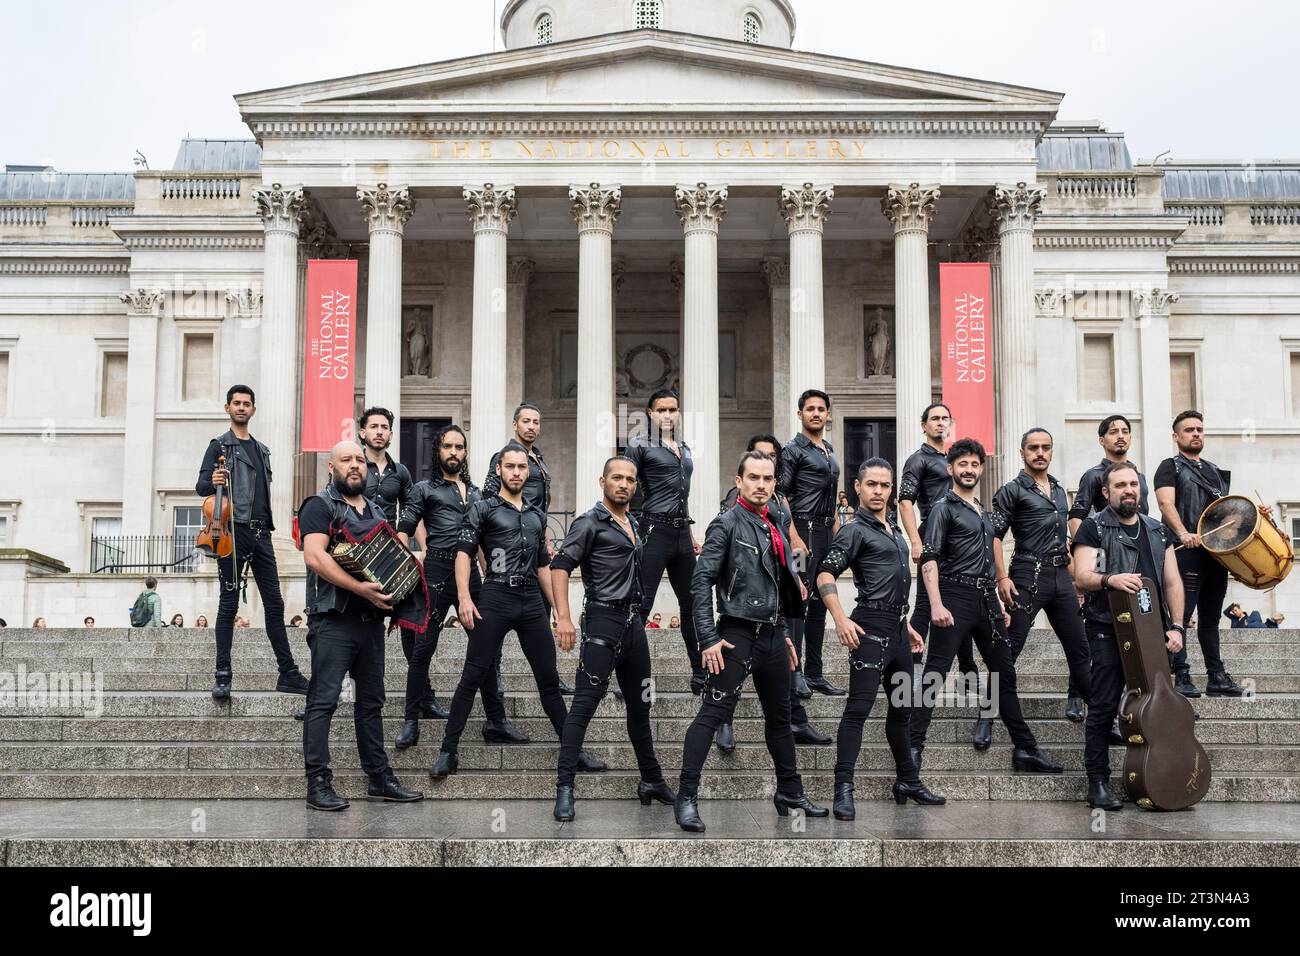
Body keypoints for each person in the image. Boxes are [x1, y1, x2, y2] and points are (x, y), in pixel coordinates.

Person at [429, 443, 605, 780]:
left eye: (522, 468)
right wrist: (465, 597)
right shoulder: (482, 509)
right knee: (472, 676)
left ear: (528, 471)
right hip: (494, 595)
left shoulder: (538, 516)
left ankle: (573, 751)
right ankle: (448, 751)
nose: (516, 473)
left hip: (530, 602)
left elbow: (543, 566)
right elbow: (464, 554)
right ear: (499, 470)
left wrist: (558, 610)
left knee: (549, 682)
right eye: (510, 467)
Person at [674, 450, 826, 833]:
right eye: (753, 478)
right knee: (710, 715)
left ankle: (789, 792)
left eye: (767, 479)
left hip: (774, 635)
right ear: (738, 480)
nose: (761, 485)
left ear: (775, 484)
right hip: (736, 634)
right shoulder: (725, 524)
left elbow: (777, 584)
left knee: (781, 719)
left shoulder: (774, 523)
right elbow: (700, 581)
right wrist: (707, 638)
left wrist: (787, 635)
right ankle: (686, 797)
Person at [909, 439, 1062, 775]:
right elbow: (929, 558)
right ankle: (912, 749)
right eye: (962, 464)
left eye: (974, 464)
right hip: (953, 596)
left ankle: (1025, 749)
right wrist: (935, 603)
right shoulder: (942, 508)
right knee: (934, 674)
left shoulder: (983, 511)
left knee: (1004, 675)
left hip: (986, 601)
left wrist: (996, 601)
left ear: (981, 469)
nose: (969, 470)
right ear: (950, 469)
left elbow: (987, 559)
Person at [298, 441, 423, 811]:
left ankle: (379, 779)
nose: (355, 465)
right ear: (331, 468)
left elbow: (390, 561)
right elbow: (314, 556)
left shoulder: (376, 511)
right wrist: (360, 588)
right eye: (346, 460)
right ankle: (317, 784)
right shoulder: (319, 506)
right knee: (322, 701)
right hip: (333, 619)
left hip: (370, 621)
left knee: (371, 704)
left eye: (359, 461)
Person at [818, 458, 945, 819]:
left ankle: (907, 780)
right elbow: (825, 573)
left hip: (897, 635)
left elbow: (890, 580)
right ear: (857, 487)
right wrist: (840, 619)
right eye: (871, 484)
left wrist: (904, 624)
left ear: (892, 489)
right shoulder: (854, 530)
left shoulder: (891, 528)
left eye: (884, 485)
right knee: (857, 711)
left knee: (902, 710)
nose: (878, 491)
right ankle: (843, 788)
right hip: (869, 632)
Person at [551, 457, 674, 821]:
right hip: (602, 624)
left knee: (641, 707)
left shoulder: (633, 523)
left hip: (635, 628)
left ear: (636, 486)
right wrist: (564, 618)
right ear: (602, 480)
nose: (623, 484)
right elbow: (560, 566)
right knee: (583, 707)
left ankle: (651, 780)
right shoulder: (589, 523)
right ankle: (564, 788)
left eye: (630, 479)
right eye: (617, 478)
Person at [396, 424, 522, 749]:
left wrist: (489, 575)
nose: (454, 452)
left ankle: (496, 722)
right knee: (423, 650)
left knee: (487, 650)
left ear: (465, 452)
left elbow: (481, 543)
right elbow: (403, 530)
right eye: (448, 446)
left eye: (459, 447)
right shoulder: (423, 489)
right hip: (436, 571)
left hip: (473, 578)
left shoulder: (478, 493)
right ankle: (411, 721)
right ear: (438, 451)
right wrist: (400, 575)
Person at [1070, 461, 1186, 810]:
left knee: (1160, 708)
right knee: (1104, 706)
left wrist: (1177, 626)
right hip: (1108, 627)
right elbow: (1082, 576)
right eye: (1120, 485)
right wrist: (1111, 579)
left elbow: (1171, 581)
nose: (1128, 490)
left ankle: (1161, 777)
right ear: (1106, 492)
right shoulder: (1094, 527)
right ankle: (1098, 783)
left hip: (1155, 631)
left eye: (1133, 484)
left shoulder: (1156, 529)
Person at [195, 385, 307, 701]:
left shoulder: (262, 449)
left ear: (253, 410)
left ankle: (288, 673)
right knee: (228, 604)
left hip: (262, 533)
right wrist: (213, 481)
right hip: (232, 532)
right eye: (237, 403)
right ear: (228, 408)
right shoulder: (219, 445)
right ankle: (223, 676)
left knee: (275, 604)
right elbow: (201, 485)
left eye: (247, 404)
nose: (242, 408)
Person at [721, 434, 832, 750]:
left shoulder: (782, 500)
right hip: (747, 599)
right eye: (759, 456)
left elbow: (790, 539)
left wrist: (795, 575)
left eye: (771, 457)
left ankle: (797, 720)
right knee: (737, 666)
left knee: (784, 662)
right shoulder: (737, 498)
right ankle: (724, 722)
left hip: (779, 593)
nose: (765, 462)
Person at [1155, 410, 1263, 698]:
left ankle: (1216, 676)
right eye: (1189, 430)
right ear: (1176, 436)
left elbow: (1227, 514)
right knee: (1182, 615)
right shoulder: (1170, 467)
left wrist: (1258, 518)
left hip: (1216, 555)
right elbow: (1166, 504)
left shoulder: (1214, 470)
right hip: (1186, 551)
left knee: (1211, 619)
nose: (1196, 434)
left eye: (1200, 429)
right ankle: (1182, 674)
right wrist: (1181, 533)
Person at [991, 429, 1092, 728]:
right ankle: (988, 714)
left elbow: (1064, 541)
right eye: (1033, 447)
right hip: (1026, 573)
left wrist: (1077, 581)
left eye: (1046, 447)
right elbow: (994, 537)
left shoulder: (1060, 490)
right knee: (1011, 646)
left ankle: (1102, 715)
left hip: (1061, 576)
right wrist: (1001, 577)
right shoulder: (1011, 490)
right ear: (1022, 452)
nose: (1040, 452)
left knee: (1080, 648)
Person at [483, 403, 572, 696]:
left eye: (536, 421)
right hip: (508, 549)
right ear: (515, 425)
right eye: (526, 421)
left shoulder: (539, 458)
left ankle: (550, 677)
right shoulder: (505, 457)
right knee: (492, 631)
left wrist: (542, 536)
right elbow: (488, 501)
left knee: (542, 610)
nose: (532, 426)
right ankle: (492, 680)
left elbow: (538, 507)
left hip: (533, 543)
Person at [625, 389, 703, 691]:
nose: (668, 415)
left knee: (693, 605)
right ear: (650, 413)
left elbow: (681, 494)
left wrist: (691, 532)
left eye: (673, 410)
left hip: (682, 533)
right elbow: (625, 486)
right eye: (661, 410)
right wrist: (627, 527)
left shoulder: (683, 447)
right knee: (641, 604)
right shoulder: (639, 445)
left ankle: (699, 672)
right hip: (653, 530)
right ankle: (629, 673)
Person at [900, 403, 979, 690]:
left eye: (945, 418)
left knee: (961, 604)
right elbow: (905, 501)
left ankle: (969, 671)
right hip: (932, 535)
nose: (940, 423)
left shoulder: (955, 457)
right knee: (923, 605)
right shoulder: (918, 459)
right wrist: (915, 541)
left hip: (959, 539)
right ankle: (912, 669)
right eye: (934, 418)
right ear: (924, 425)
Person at [780, 390, 845, 697]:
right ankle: (793, 674)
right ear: (800, 414)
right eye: (810, 409)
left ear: (828, 415)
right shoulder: (792, 450)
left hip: (824, 532)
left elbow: (830, 495)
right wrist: (792, 536)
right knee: (798, 602)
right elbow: (780, 495)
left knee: (820, 603)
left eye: (821, 409)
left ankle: (815, 673)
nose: (816, 413)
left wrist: (837, 526)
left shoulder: (828, 450)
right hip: (801, 531)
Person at [1068, 415, 1151, 536]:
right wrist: (1085, 551)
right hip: (1109, 545)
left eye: (1125, 432)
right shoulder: (1093, 475)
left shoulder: (1139, 476)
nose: (1121, 436)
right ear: (1102, 440)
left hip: (1141, 543)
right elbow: (1075, 519)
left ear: (1130, 438)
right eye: (1113, 432)